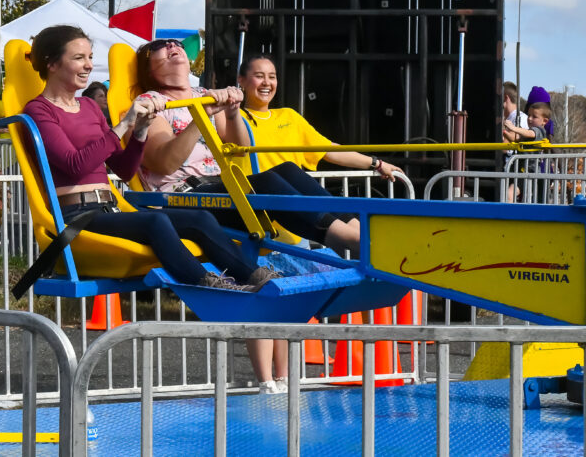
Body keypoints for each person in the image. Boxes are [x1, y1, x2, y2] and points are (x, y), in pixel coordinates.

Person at [135, 40, 399, 391]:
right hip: (184, 196)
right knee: (269, 183)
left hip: (222, 187)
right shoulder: (154, 104)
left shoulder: (203, 93)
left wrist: (229, 112)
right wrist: (202, 115)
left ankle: (350, 227)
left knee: (285, 170)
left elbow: (241, 147)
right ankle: (343, 236)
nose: (173, 50)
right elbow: (163, 163)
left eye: (176, 48)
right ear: (150, 67)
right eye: (162, 50)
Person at [23, 25, 277, 294]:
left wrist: (140, 131)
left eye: (89, 57)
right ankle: (211, 287)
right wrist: (123, 125)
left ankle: (256, 277)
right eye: (79, 58)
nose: (88, 65)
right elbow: (76, 165)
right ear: (51, 63)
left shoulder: (88, 107)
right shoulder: (38, 110)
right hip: (75, 215)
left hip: (109, 209)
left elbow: (123, 169)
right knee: (155, 221)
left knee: (200, 218)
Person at [233, 55, 403, 252]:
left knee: (290, 172)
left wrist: (377, 164)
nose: (267, 83)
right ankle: (364, 240)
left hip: (299, 231)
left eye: (272, 76)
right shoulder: (234, 119)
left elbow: (329, 149)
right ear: (241, 80)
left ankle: (366, 238)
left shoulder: (289, 116)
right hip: (259, 222)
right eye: (259, 76)